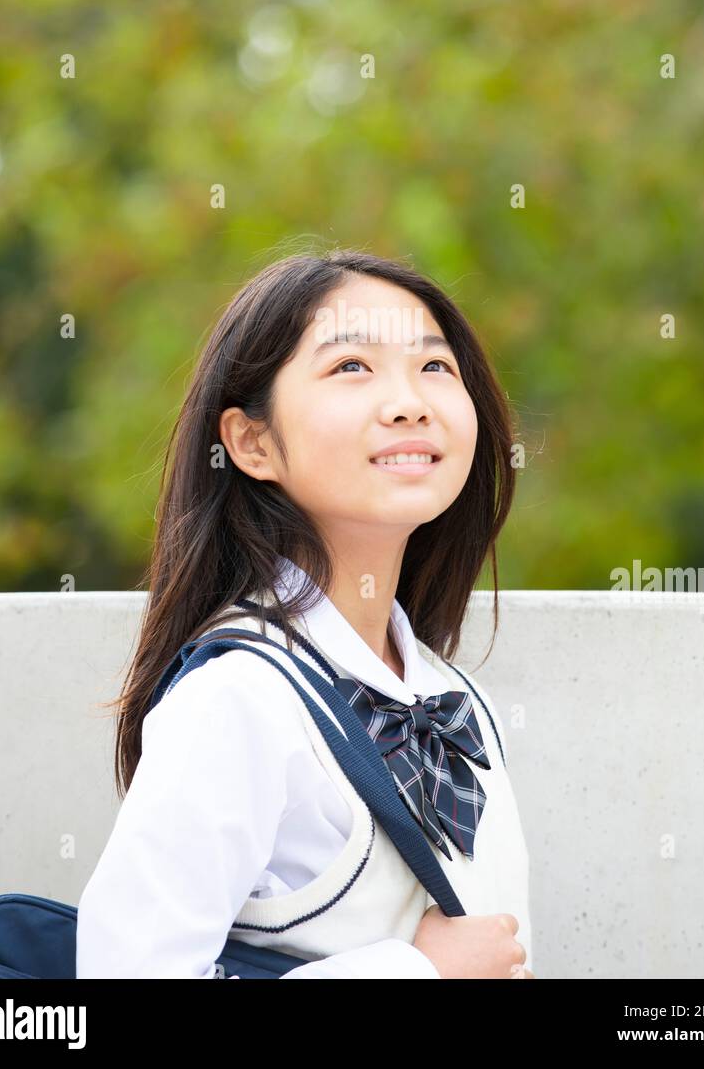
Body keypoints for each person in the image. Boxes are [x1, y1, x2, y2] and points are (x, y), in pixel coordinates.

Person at [76, 247, 534, 979]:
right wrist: (414, 973)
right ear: (253, 443)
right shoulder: (236, 699)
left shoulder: (453, 697)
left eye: (434, 367)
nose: (409, 401)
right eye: (350, 367)